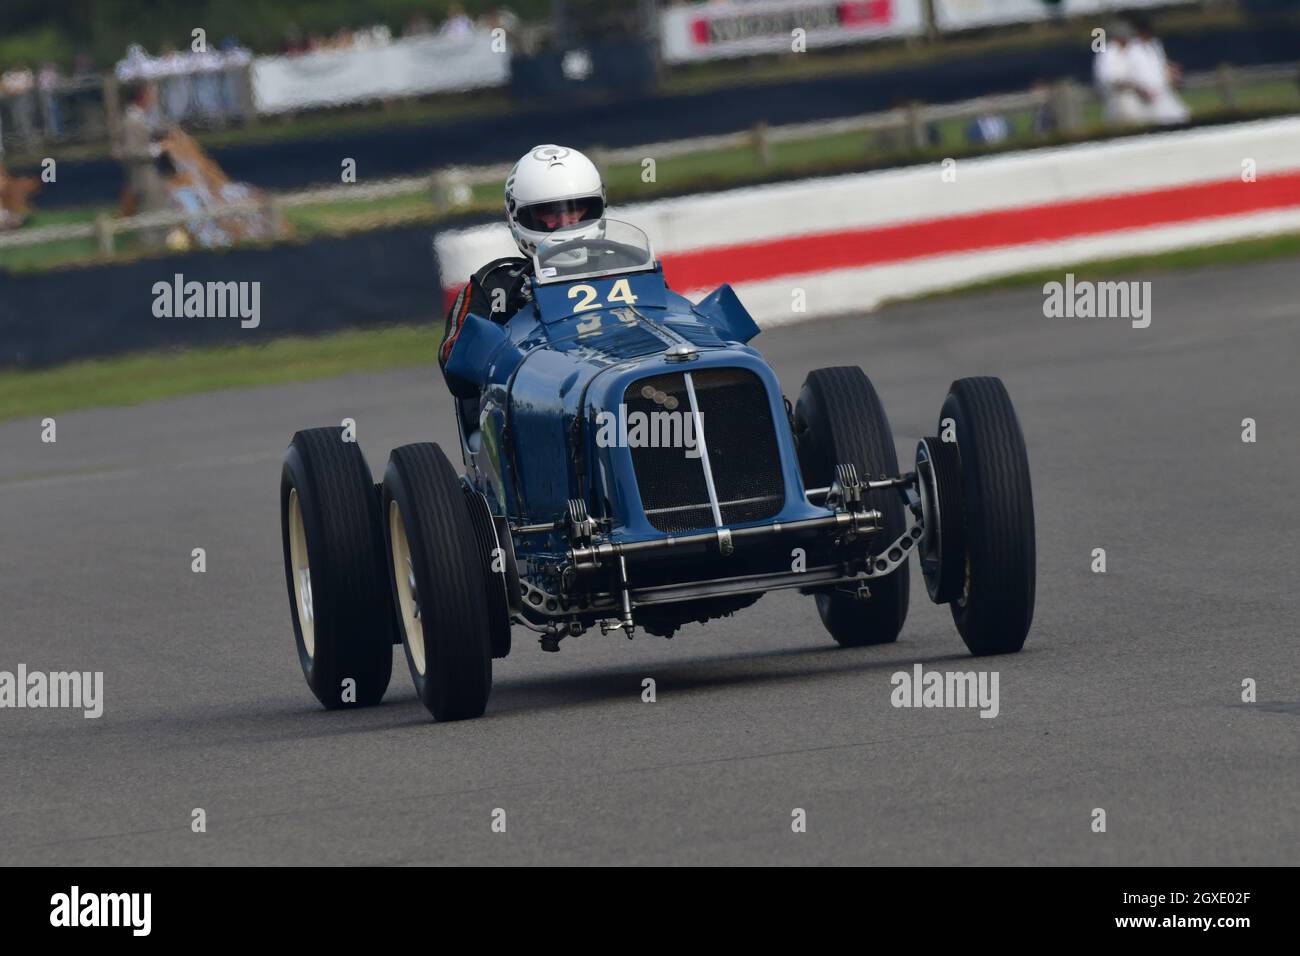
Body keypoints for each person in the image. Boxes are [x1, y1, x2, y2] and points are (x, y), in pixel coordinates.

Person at [439, 144, 605, 396]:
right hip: (527, 404)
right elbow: (456, 369)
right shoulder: (496, 285)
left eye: (576, 208)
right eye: (549, 212)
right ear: (518, 216)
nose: (564, 223)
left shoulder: (626, 269)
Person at [1128, 15, 1190, 125]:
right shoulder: (1132, 48)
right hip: (1145, 97)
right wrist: (1141, 89)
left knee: (1180, 117)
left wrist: (1171, 71)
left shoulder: (1155, 44)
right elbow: (1129, 74)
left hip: (1164, 92)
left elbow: (1161, 64)